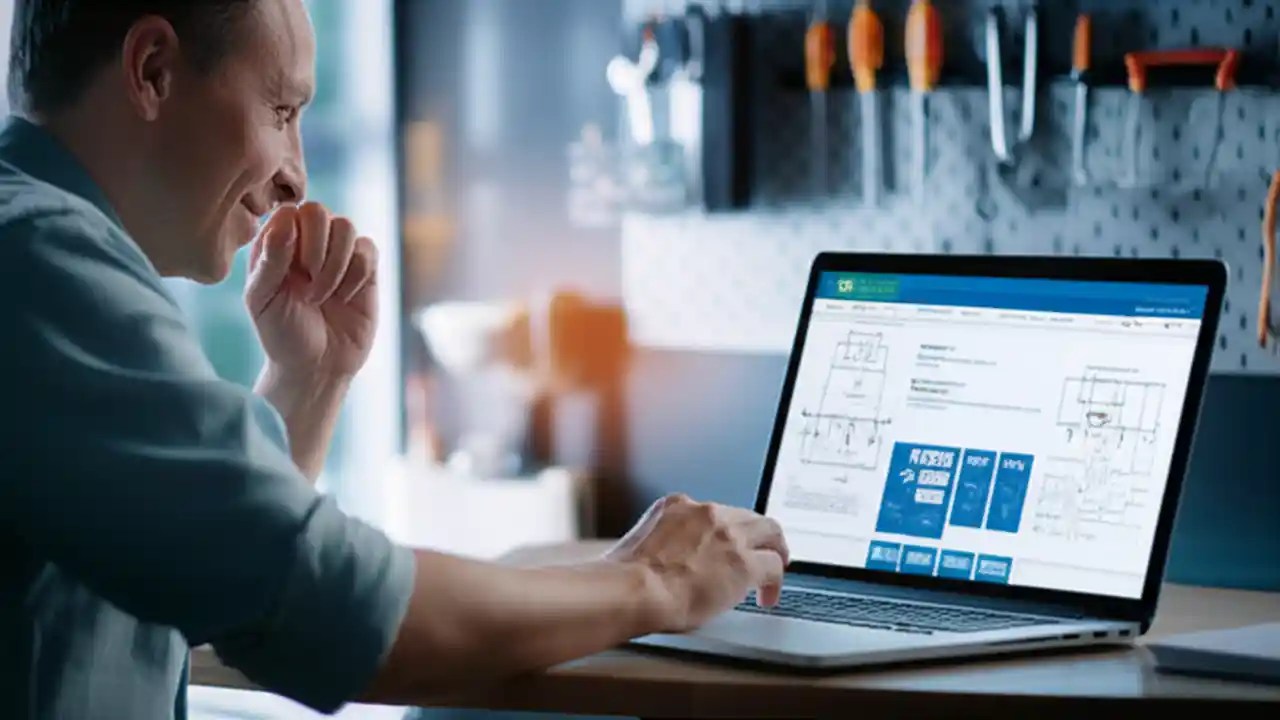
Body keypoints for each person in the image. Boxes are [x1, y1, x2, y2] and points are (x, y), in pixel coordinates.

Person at [0, 1, 789, 718]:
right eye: (281, 110)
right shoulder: (36, 260)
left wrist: (311, 379)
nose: (295, 174)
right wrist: (654, 581)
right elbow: (321, 606)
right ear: (153, 72)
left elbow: (199, 566)